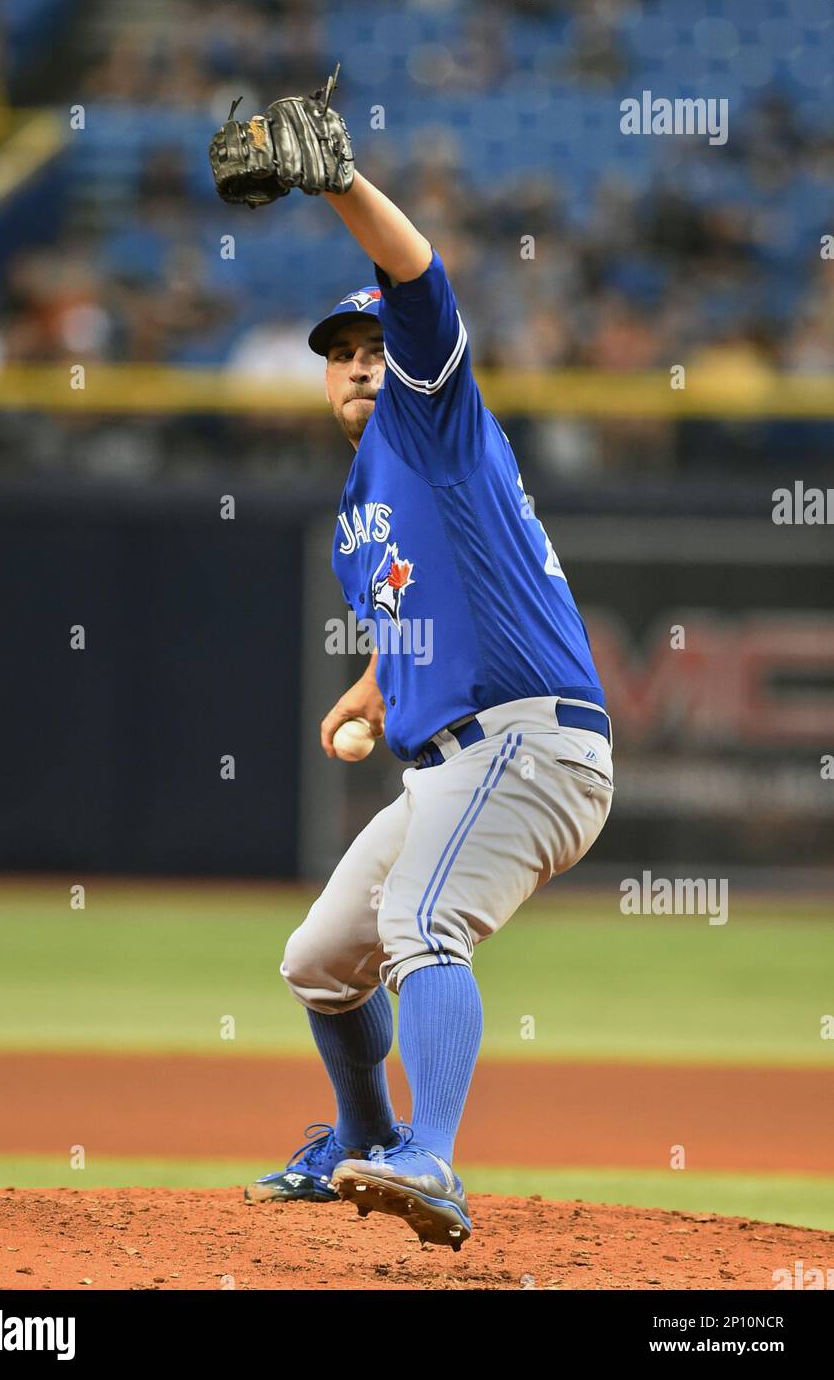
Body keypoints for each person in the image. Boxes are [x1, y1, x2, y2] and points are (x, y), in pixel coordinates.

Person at [214, 88, 614, 1251]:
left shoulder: (429, 420)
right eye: (339, 350)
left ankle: (429, 1155)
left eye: (373, 342)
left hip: (527, 743)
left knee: (422, 926)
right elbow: (417, 632)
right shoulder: (360, 512)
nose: (358, 360)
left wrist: (338, 181)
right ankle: (360, 1136)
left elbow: (418, 277)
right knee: (320, 962)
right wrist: (371, 689)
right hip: (450, 758)